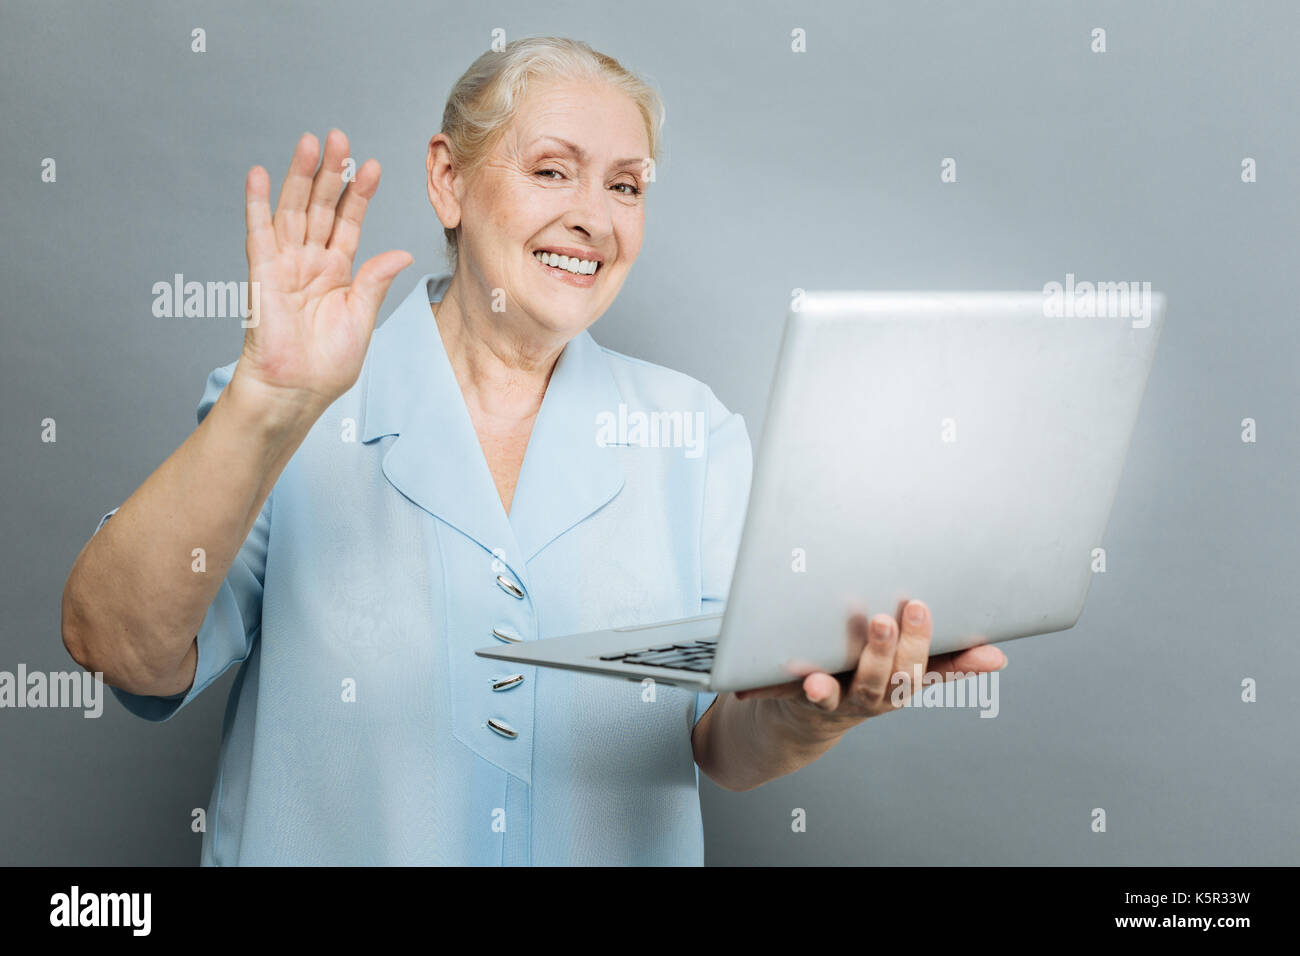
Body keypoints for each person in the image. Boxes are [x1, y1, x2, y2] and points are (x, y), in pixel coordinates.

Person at [60, 36, 1006, 865]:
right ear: (449, 179)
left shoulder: (693, 435)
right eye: (553, 171)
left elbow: (724, 743)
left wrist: (814, 714)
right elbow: (116, 648)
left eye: (626, 186)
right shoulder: (288, 410)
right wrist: (265, 401)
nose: (595, 217)